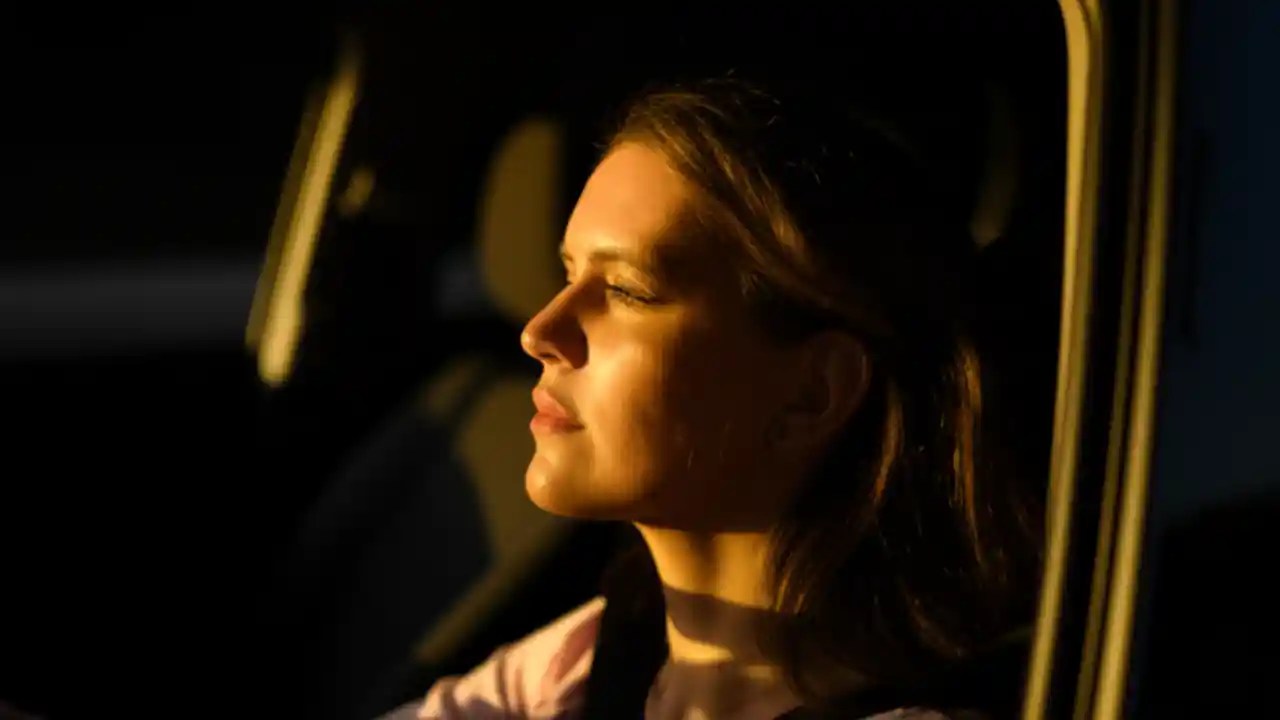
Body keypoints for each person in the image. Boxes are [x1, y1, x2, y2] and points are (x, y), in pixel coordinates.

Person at [387, 76, 1044, 719]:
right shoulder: (593, 658)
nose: (539, 331)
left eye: (628, 291)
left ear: (811, 395)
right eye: (568, 272)